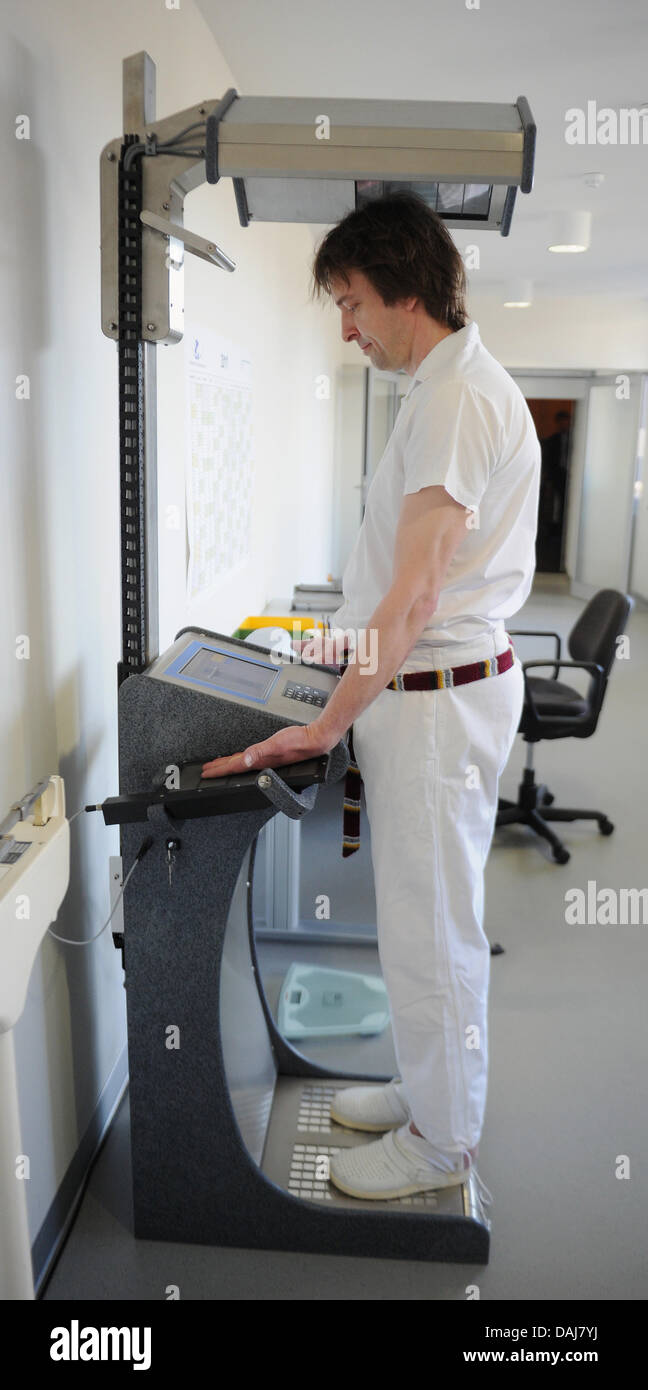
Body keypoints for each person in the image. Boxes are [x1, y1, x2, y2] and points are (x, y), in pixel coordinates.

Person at [202, 191, 541, 1201]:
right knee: (416, 919)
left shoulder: (454, 400)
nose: (346, 326)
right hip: (432, 689)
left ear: (403, 289)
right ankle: (428, 1089)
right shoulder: (445, 389)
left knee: (430, 928)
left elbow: (421, 592)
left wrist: (324, 719)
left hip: (436, 701)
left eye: (351, 301)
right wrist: (330, 652)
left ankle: (443, 1143)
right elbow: (401, 590)